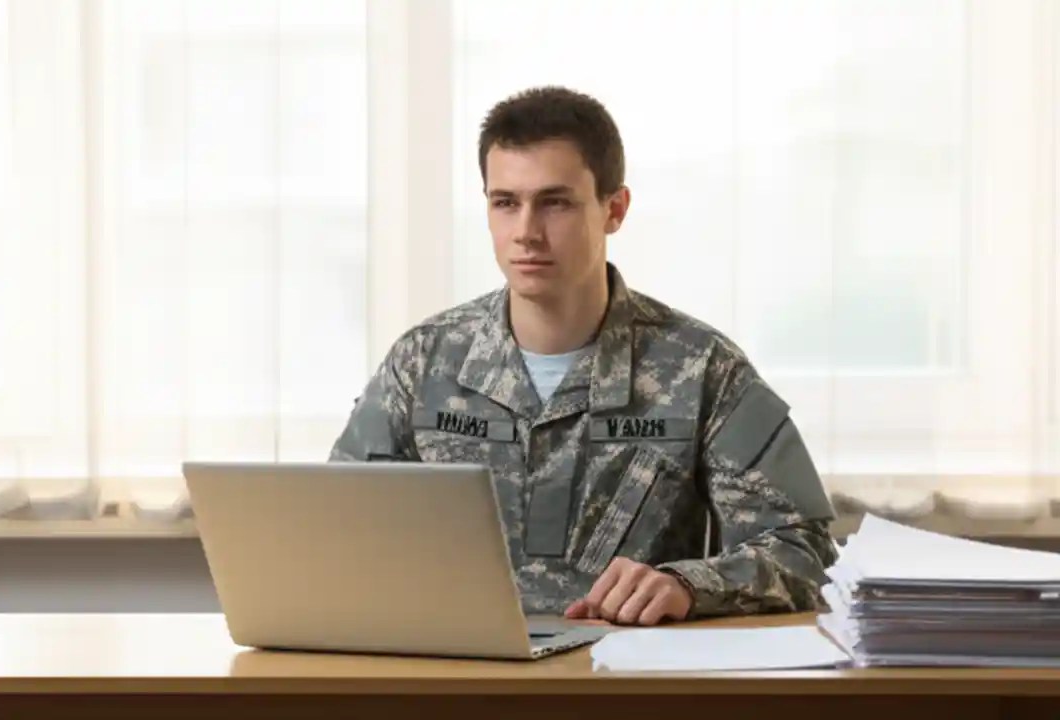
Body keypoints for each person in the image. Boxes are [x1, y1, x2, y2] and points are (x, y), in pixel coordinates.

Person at [329, 86, 837, 626]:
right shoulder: (424, 362)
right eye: (505, 203)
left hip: (623, 686)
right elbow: (332, 528)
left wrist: (690, 585)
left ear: (613, 210)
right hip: (455, 679)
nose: (525, 232)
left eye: (555, 203)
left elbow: (803, 549)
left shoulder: (701, 369)